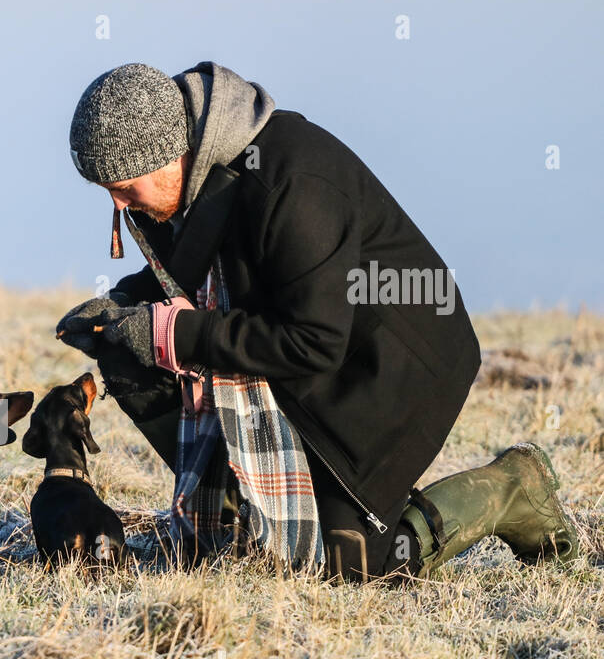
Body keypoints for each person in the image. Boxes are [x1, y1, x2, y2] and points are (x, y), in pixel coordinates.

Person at [56, 62, 579, 583]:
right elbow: (195, 272)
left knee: (352, 566)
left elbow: (313, 340)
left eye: (124, 187)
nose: (118, 205)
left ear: (171, 154)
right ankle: (237, 509)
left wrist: (171, 332)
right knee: (126, 350)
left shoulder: (293, 184)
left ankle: (513, 486)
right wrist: (125, 304)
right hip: (302, 361)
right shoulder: (199, 177)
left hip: (388, 368)